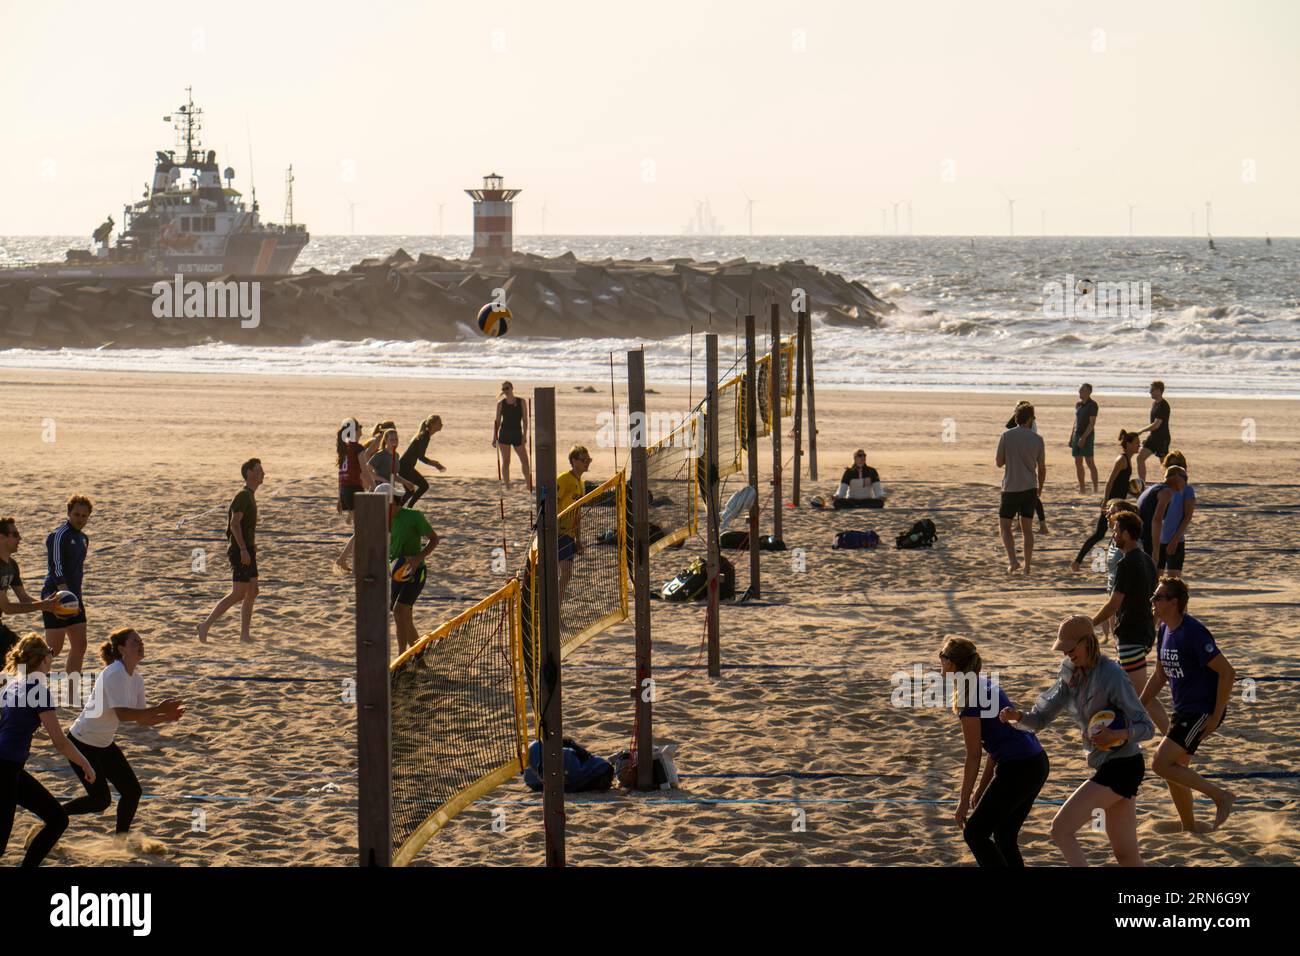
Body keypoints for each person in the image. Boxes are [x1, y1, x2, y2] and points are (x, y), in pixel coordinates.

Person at [1000, 615, 1154, 867]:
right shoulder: (1071, 674)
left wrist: (1116, 734)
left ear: (1088, 642)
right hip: (1107, 765)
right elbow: (1041, 718)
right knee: (1127, 857)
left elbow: (1146, 727)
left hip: (1123, 767)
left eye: (1071, 648)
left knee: (1060, 830)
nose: (1067, 654)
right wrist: (1018, 717)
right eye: (1063, 650)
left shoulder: (1112, 675)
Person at [63, 627, 184, 841]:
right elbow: (123, 714)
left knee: (132, 792)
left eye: (141, 641)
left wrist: (165, 717)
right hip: (81, 742)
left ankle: (120, 843)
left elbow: (141, 719)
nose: (141, 644)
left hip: (103, 743)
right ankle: (54, 815)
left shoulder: (136, 678)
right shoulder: (114, 672)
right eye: (135, 642)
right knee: (100, 801)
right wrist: (159, 708)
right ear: (121, 649)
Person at [939, 637, 1049, 867]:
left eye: (942, 656)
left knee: (975, 834)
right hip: (1036, 762)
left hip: (1019, 768)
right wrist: (981, 789)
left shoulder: (969, 699)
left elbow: (974, 755)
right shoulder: (984, 684)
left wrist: (962, 803)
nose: (939, 661)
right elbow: (995, 746)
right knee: (1004, 835)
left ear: (951, 663)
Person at [1142, 578, 1236, 832]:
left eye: (1158, 597)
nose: (1153, 601)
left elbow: (1228, 672)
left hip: (1201, 710)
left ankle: (1220, 796)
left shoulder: (1192, 632)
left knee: (1160, 764)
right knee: (1174, 771)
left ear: (1174, 603)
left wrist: (1215, 717)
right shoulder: (1164, 629)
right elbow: (1160, 675)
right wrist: (1140, 705)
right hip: (1183, 709)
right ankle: (1189, 828)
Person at [0, 635, 96, 867]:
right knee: (54, 821)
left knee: (57, 818)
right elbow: (60, 743)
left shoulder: (10, 684)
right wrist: (85, 763)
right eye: (51, 654)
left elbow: (9, 722)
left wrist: (31, 733)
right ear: (43, 659)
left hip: (9, 766)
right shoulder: (39, 692)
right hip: (6, 768)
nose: (52, 660)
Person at [1090, 510, 1165, 733]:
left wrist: (1089, 624)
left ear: (1126, 533)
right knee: (1123, 690)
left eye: (1116, 531)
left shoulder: (1127, 563)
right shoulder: (1148, 561)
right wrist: (1150, 630)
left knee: (1144, 695)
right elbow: (1155, 604)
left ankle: (1172, 739)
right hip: (1142, 633)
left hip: (1131, 635)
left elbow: (1114, 604)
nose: (1113, 536)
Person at [198, 459, 264, 643]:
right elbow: (234, 524)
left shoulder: (250, 495)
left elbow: (243, 526)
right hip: (239, 550)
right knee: (239, 593)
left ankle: (244, 635)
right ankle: (205, 626)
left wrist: (250, 547)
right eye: (259, 470)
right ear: (249, 473)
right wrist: (243, 549)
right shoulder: (243, 495)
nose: (263, 473)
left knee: (253, 590)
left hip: (247, 549)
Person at [1071, 430, 1140, 572]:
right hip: (1112, 504)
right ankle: (1077, 562)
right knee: (1100, 534)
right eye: (1137, 443)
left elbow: (1121, 483)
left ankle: (1119, 561)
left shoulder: (1128, 458)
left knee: (1122, 532)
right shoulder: (1121, 460)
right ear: (1128, 444)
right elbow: (1110, 481)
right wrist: (1106, 501)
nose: (1139, 445)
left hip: (1119, 503)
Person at [382, 484, 439, 655]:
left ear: (391, 502)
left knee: (399, 612)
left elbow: (434, 539)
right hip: (397, 572)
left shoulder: (413, 516)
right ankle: (419, 656)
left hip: (416, 572)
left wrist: (417, 558)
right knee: (405, 617)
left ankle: (401, 657)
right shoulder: (381, 519)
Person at [42, 495, 92, 680]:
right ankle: (29, 684)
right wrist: (66, 595)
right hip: (55, 596)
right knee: (53, 649)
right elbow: (55, 567)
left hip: (75, 597)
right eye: (77, 514)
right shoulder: (58, 535)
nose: (80, 519)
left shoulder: (84, 538)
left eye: (84, 516)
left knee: (80, 645)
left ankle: (72, 690)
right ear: (68, 513)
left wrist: (76, 597)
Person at [0, 518, 62, 662]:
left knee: (28, 657)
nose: (20, 538)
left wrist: (49, 606)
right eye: (15, 534)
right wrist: (42, 605)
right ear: (1, 537)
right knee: (20, 661)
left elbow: (24, 598)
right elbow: (7, 608)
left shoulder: (12, 565)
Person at [995, 403, 1046, 574]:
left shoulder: (1006, 436)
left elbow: (999, 462)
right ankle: (1028, 566)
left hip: (1011, 487)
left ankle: (1013, 561)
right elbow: (1042, 467)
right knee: (1027, 529)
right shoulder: (1038, 439)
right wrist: (1040, 488)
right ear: (1030, 418)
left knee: (1005, 526)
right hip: (1030, 487)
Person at [334, 419, 382, 572]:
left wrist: (339, 497)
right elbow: (364, 471)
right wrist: (374, 487)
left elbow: (341, 474)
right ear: (355, 431)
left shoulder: (344, 448)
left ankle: (345, 560)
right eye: (360, 427)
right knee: (362, 528)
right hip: (353, 489)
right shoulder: (357, 448)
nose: (362, 429)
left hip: (345, 490)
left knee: (361, 528)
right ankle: (344, 560)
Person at [1004, 402, 1047, 533]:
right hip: (1020, 465)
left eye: (1016, 409)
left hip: (1026, 462)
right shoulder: (1019, 423)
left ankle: (1042, 525)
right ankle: (1019, 524)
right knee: (1022, 496)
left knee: (1034, 499)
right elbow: (1009, 425)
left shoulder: (1031, 425)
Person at [556, 445, 592, 604]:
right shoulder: (564, 479)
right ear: (574, 461)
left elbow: (577, 513)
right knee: (565, 572)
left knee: (566, 574)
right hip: (559, 533)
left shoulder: (581, 483)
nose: (587, 463)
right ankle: (554, 609)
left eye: (589, 460)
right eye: (584, 460)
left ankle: (556, 608)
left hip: (569, 534)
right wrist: (554, 529)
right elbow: (553, 503)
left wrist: (578, 539)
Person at [1150, 465, 1195, 579]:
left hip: (1175, 539)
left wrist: (1175, 540)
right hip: (1158, 538)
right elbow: (1156, 518)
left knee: (1173, 579)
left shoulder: (1187, 489)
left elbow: (1187, 516)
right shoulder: (1162, 489)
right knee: (1155, 576)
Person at [493, 382, 533, 492]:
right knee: (506, 461)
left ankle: (529, 484)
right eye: (503, 389)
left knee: (525, 461)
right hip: (504, 434)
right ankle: (507, 485)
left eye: (507, 388)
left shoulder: (521, 402)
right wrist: (494, 437)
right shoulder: (501, 404)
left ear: (512, 388)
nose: (505, 390)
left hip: (517, 433)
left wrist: (524, 435)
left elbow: (525, 420)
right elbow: (497, 421)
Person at [398, 415, 446, 507]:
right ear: (432, 424)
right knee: (421, 487)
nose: (442, 424)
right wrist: (436, 465)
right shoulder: (424, 436)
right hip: (404, 467)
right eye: (439, 423)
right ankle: (403, 508)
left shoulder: (425, 435)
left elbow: (420, 456)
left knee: (412, 490)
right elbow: (421, 457)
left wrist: (435, 464)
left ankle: (402, 508)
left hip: (406, 467)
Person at [1135, 381, 1171, 483]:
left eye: (1152, 390)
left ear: (1159, 391)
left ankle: (1169, 484)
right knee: (1140, 458)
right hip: (1153, 437)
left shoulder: (1164, 406)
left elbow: (1156, 425)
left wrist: (1141, 431)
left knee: (1164, 464)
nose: (1150, 392)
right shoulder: (1155, 403)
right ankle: (1142, 484)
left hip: (1162, 439)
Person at [368, 428, 416, 498]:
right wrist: (383, 480)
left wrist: (406, 483)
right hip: (378, 490)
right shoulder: (380, 455)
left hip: (390, 490)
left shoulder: (396, 455)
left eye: (396, 439)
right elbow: (368, 470)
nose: (394, 442)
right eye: (391, 440)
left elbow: (393, 475)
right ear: (386, 440)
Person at [1069, 384, 1100, 494]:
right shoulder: (1078, 405)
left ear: (1088, 392)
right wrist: (1072, 436)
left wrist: (1083, 438)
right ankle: (1082, 488)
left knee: (1090, 462)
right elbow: (1076, 421)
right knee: (1078, 462)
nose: (1079, 392)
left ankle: (1095, 488)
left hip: (1087, 435)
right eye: (1079, 389)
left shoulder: (1093, 405)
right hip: (1077, 434)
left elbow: (1092, 424)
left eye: (1082, 390)